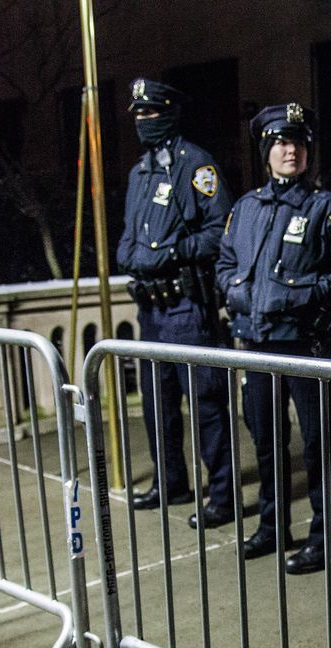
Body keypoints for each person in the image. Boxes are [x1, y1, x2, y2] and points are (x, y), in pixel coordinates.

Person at [217, 103, 331, 575]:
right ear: (266, 149)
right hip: (259, 343)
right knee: (265, 439)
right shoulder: (245, 209)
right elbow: (224, 265)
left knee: (317, 445)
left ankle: (327, 541)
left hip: (307, 345)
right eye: (282, 142)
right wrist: (237, 292)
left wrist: (302, 294)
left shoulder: (328, 209)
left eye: (299, 143)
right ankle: (273, 526)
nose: (291, 150)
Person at [116, 77, 235, 529]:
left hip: (187, 307)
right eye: (139, 115)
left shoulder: (196, 165)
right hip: (151, 309)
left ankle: (221, 496)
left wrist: (171, 252)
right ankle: (171, 481)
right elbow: (128, 240)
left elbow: (219, 228)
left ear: (169, 114)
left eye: (151, 114)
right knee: (156, 401)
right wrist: (136, 255)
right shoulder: (140, 172)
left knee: (205, 403)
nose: (144, 122)